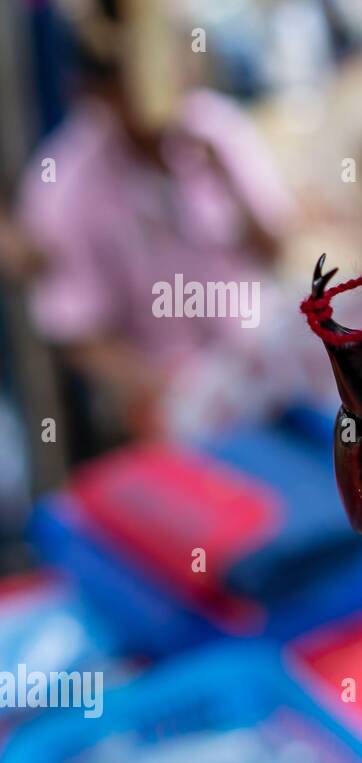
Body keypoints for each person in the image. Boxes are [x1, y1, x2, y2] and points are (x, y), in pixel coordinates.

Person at [15, 0, 296, 441]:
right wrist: (168, 393)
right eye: (127, 84)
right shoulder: (63, 184)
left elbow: (278, 250)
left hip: (262, 369)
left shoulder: (220, 129)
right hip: (167, 402)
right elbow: (76, 333)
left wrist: (228, 182)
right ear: (91, 92)